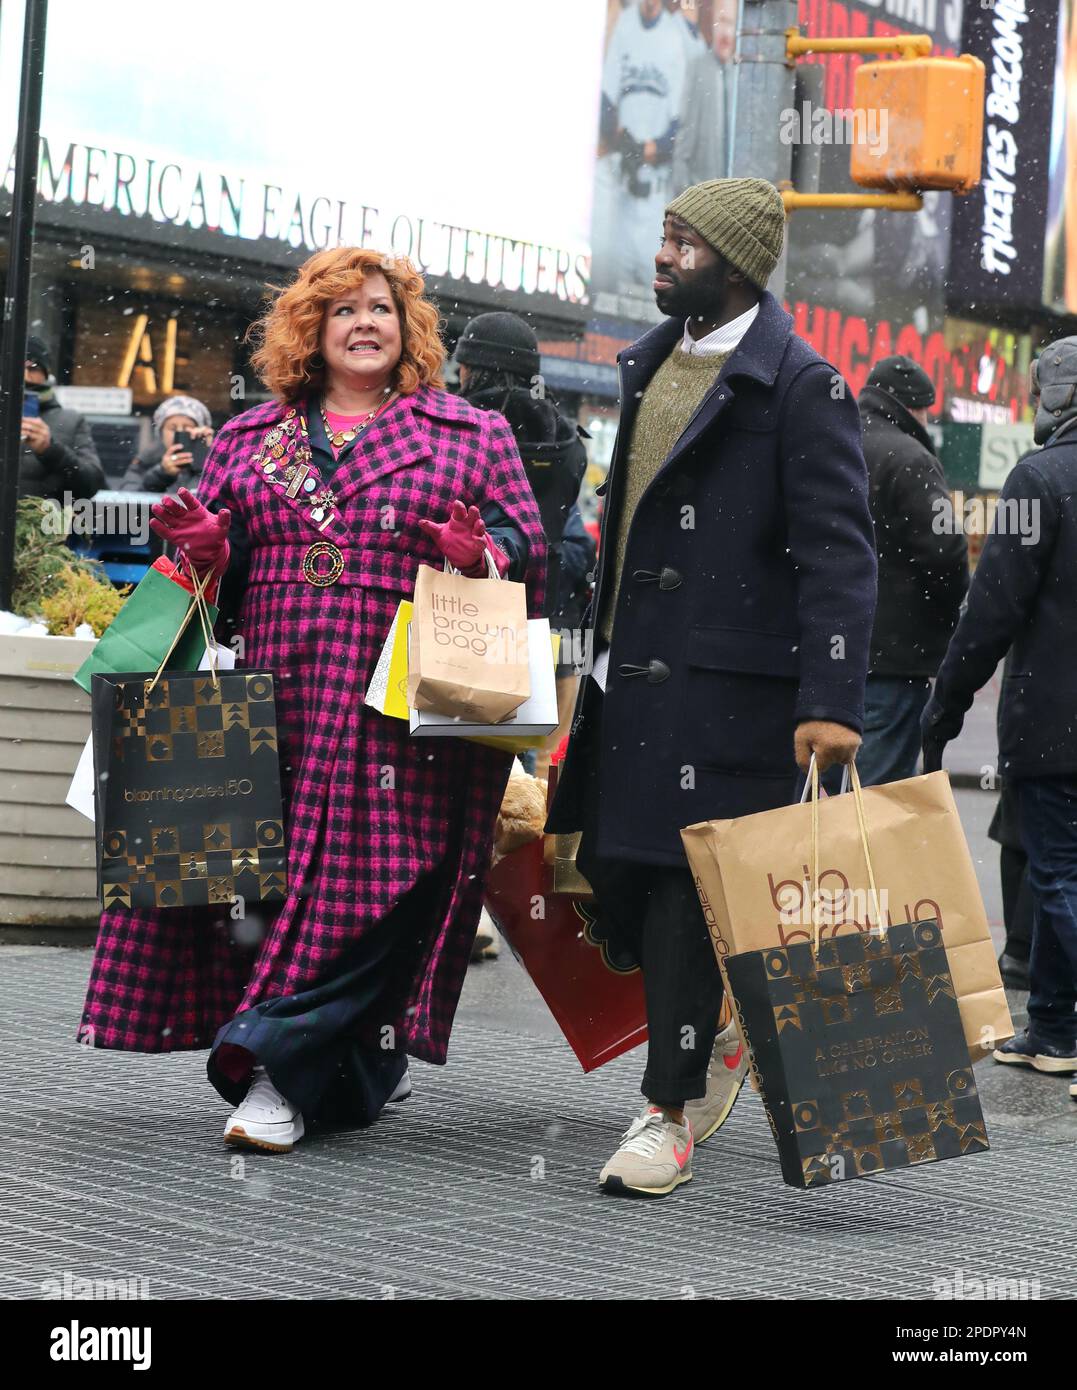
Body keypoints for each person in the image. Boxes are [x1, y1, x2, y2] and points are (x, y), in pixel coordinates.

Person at [77, 247, 546, 1152]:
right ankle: (346, 1070)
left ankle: (265, 1071)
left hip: (407, 706)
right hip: (275, 704)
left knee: (381, 892)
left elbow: (529, 545)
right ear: (312, 332)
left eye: (381, 309)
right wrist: (210, 548)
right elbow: (205, 576)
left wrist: (478, 555)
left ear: (407, 329)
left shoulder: (469, 434)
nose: (365, 323)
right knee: (288, 900)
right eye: (343, 311)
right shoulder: (251, 441)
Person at [547, 177, 877, 1196]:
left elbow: (840, 554)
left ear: (733, 262)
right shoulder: (652, 363)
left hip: (731, 696)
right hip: (631, 684)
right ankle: (713, 1015)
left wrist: (830, 701)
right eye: (663, 236)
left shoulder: (801, 385)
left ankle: (666, 1111)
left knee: (682, 894)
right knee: (615, 876)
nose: (663, 256)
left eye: (683, 243)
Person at [923, 338, 1077, 1102]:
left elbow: (989, 613)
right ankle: (1052, 1029)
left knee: (1056, 876)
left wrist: (944, 703)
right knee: (1061, 876)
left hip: (1053, 723)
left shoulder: (1036, 478)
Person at [856, 355, 967, 785]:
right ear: (914, 409)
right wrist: (951, 622)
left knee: (820, 796)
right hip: (894, 662)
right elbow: (947, 552)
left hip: (821, 657)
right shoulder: (909, 458)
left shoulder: (831, 440)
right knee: (877, 797)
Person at [593, 0, 688, 295]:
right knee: (610, 281)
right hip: (622, 178)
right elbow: (607, 100)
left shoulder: (673, 37)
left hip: (654, 188)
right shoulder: (625, 25)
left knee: (649, 285)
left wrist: (647, 149)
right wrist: (624, 141)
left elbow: (678, 124)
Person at [18, 336, 104, 501]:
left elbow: (91, 484)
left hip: (45, 523)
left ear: (46, 374)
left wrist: (50, 449)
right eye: (18, 367)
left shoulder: (71, 421)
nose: (25, 375)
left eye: (33, 367)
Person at [672, 0, 737, 192]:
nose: (725, 31)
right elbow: (684, 141)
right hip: (703, 196)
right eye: (721, 22)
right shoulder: (698, 69)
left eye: (731, 23)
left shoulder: (745, 74)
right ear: (712, 23)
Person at [120, 395, 216, 494]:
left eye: (187, 427)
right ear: (161, 433)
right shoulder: (145, 462)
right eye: (172, 428)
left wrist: (212, 456)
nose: (179, 432)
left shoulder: (213, 463)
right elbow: (128, 502)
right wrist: (161, 474)